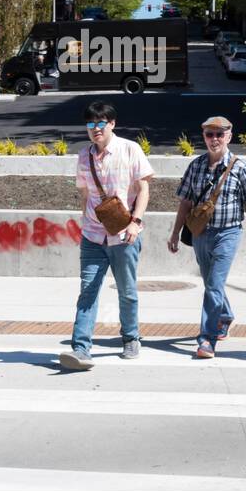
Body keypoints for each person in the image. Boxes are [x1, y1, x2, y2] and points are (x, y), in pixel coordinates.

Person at [60, 101, 154, 371]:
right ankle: (80, 349)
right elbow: (85, 193)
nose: (95, 129)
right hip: (92, 236)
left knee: (127, 291)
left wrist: (136, 222)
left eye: (101, 123)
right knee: (87, 291)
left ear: (112, 123)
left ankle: (131, 337)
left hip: (125, 235)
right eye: (90, 124)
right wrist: (83, 222)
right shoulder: (83, 156)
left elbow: (144, 189)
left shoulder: (130, 149)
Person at [167, 116, 246, 358]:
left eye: (220, 134)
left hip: (227, 234)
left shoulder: (239, 168)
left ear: (229, 136)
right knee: (212, 284)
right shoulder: (196, 166)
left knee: (214, 285)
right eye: (210, 134)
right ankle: (225, 315)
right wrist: (175, 232)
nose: (214, 139)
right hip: (199, 233)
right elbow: (185, 202)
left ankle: (206, 339)